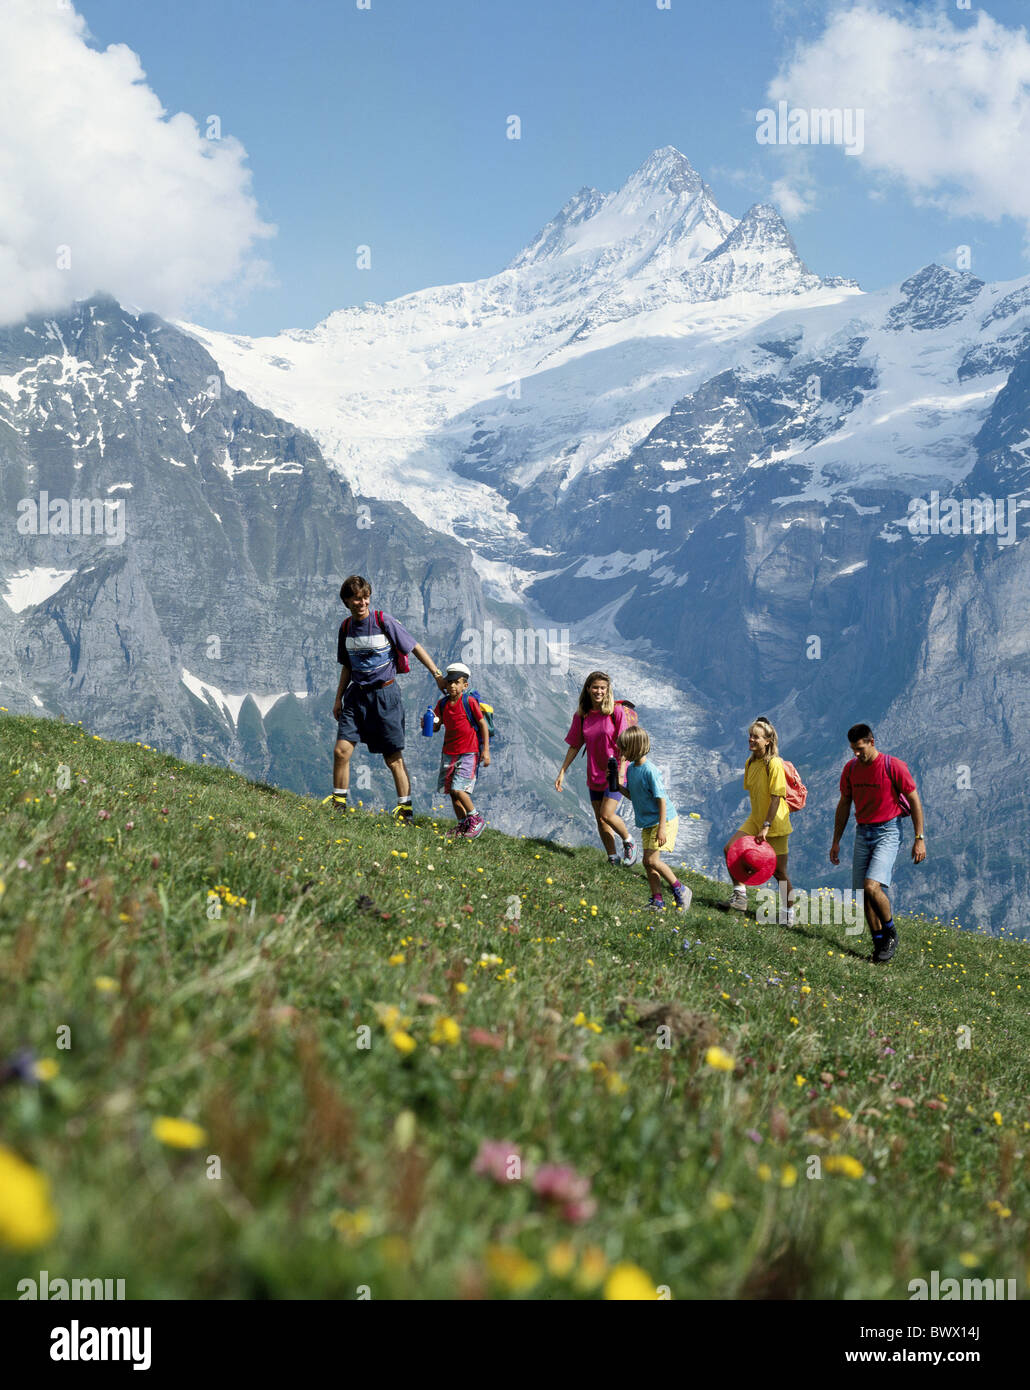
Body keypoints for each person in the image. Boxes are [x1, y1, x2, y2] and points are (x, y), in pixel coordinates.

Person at [329, 575, 447, 825]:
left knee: (392, 758)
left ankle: (405, 811)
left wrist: (437, 675)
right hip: (356, 695)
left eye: (365, 597)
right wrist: (338, 698)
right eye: (356, 598)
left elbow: (414, 647)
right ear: (346, 601)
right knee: (341, 751)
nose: (362, 602)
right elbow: (347, 666)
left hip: (385, 694)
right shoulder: (345, 628)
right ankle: (338, 805)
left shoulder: (384, 621)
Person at [830, 722, 925, 963]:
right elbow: (844, 804)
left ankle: (891, 932)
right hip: (863, 832)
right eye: (853, 749)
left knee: (872, 887)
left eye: (860, 748)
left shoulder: (893, 766)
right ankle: (879, 943)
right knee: (863, 893)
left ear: (872, 742)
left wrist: (919, 838)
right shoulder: (851, 769)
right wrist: (836, 841)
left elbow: (914, 800)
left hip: (888, 831)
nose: (856, 754)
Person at [555, 671, 637, 866]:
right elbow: (575, 744)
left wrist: (621, 772)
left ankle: (629, 841)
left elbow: (625, 744)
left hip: (614, 771)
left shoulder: (615, 712)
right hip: (594, 773)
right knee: (600, 819)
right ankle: (612, 858)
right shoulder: (582, 715)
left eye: (603, 688)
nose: (599, 691)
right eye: (595, 687)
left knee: (606, 814)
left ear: (608, 690)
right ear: (588, 689)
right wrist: (562, 771)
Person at [719, 717, 794, 923]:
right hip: (755, 818)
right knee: (730, 849)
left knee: (779, 872)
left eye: (756, 737)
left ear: (768, 741)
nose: (751, 740)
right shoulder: (750, 762)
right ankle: (740, 896)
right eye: (750, 736)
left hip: (775, 823)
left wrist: (766, 826)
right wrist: (759, 823)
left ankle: (788, 915)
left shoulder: (775, 764)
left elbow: (777, 797)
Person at [616, 727, 690, 911]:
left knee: (653, 861)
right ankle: (657, 901)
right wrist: (618, 785)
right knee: (647, 862)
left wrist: (662, 828)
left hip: (663, 821)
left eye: (624, 749)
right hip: (649, 822)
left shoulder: (650, 771)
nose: (621, 753)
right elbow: (635, 796)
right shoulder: (632, 769)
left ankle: (681, 890)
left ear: (634, 748)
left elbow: (661, 800)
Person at [432, 662, 490, 838]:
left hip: (469, 753)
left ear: (465, 685)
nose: (452, 686)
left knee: (459, 789)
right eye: (449, 682)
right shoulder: (442, 704)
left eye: (457, 682)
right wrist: (429, 723)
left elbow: (482, 724)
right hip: (449, 753)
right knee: (451, 791)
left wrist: (485, 750)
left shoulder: (469, 702)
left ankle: (476, 818)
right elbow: (436, 726)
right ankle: (463, 824)